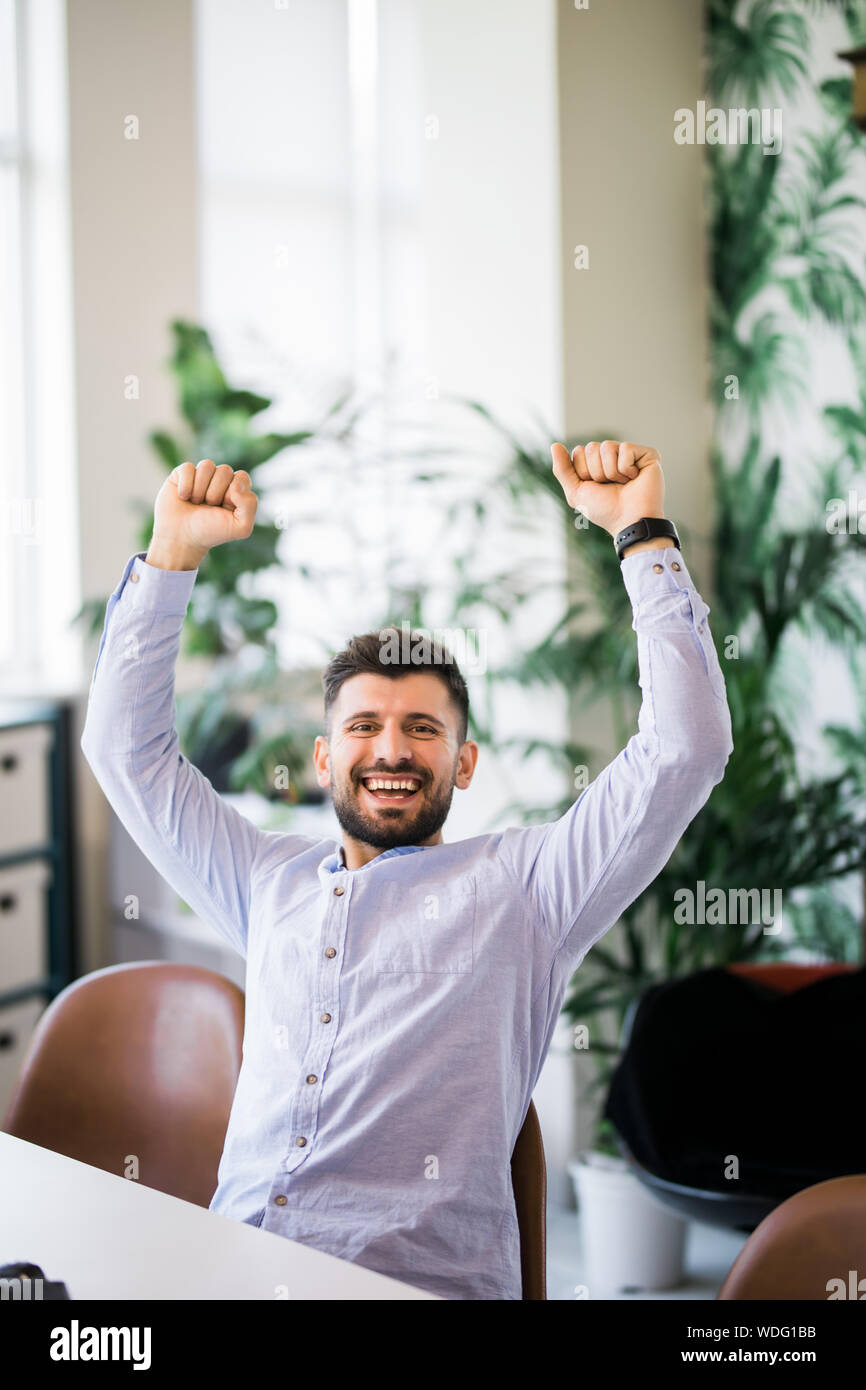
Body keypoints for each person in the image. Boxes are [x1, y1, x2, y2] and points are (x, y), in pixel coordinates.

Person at [80, 442, 733, 1300]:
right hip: (232, 1274)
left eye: (424, 729)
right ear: (322, 757)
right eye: (363, 727)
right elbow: (124, 754)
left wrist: (641, 533)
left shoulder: (528, 890)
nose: (391, 749)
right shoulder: (264, 882)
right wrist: (171, 555)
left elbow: (686, 749)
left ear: (464, 765)